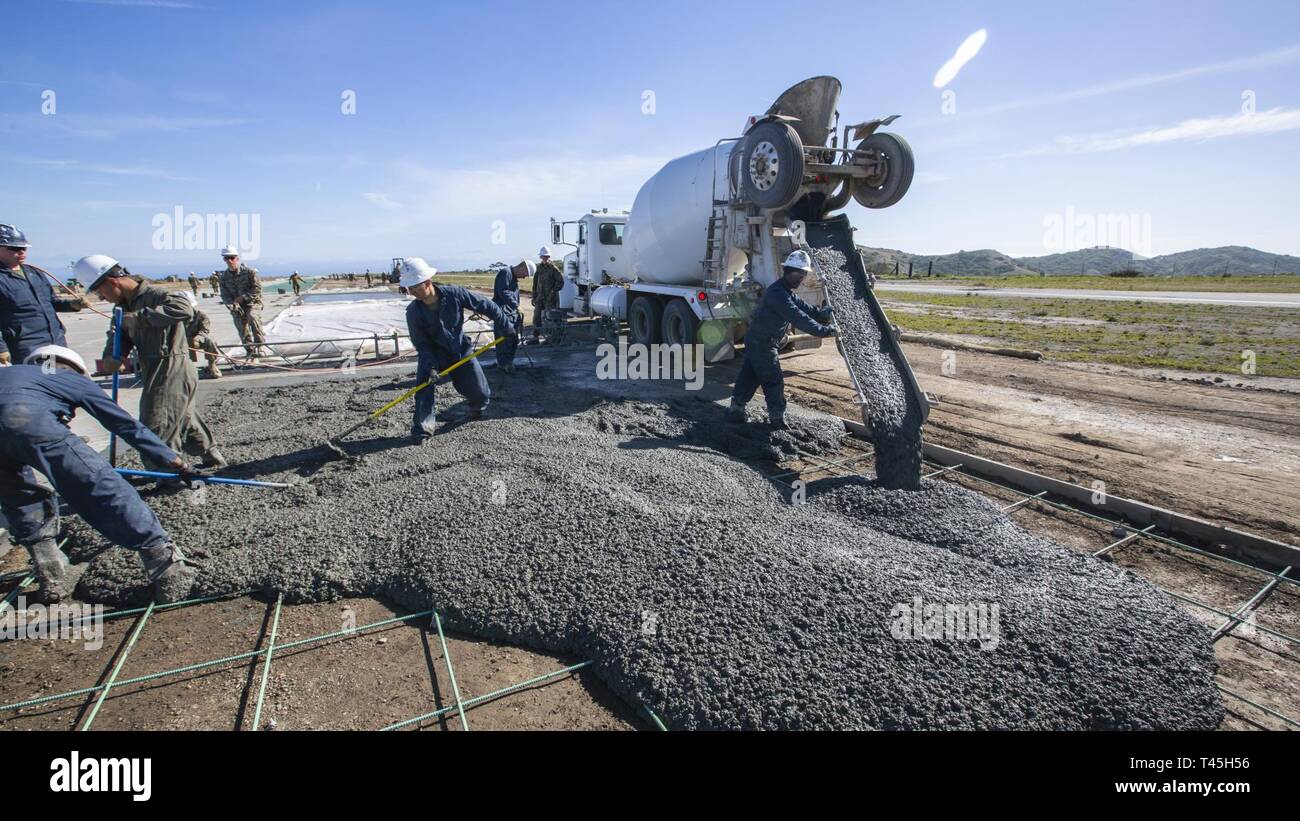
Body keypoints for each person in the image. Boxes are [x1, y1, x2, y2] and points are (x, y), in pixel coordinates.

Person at [1, 345, 197, 603]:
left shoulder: (17, 373)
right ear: (73, 368)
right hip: (29, 423)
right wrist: (172, 460)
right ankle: (168, 569)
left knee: (20, 499)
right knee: (103, 487)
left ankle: (53, 576)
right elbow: (125, 425)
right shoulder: (67, 377)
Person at [80, 255, 227, 470]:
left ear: (112, 282)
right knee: (182, 417)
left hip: (172, 366)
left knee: (157, 421)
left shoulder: (156, 295)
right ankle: (211, 457)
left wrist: (141, 317)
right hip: (152, 367)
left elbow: (184, 309)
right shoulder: (121, 306)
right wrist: (113, 357)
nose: (101, 298)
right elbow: (119, 335)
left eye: (99, 292)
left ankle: (167, 475)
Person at [401, 258, 514, 441]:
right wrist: (430, 366)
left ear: (428, 282)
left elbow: (487, 306)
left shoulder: (455, 294)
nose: (411, 292)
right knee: (424, 386)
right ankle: (423, 428)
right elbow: (421, 344)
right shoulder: (413, 312)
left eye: (414, 287)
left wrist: (506, 325)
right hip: (433, 354)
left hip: (459, 349)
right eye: (408, 288)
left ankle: (477, 408)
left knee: (481, 393)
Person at [727, 250, 836, 430]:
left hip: (757, 340)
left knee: (750, 376)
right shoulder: (778, 295)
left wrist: (821, 315)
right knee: (773, 380)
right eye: (800, 275)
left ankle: (735, 411)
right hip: (762, 343)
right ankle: (777, 419)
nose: (802, 279)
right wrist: (824, 331)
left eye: (804, 275)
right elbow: (798, 316)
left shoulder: (785, 291)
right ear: (790, 271)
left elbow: (804, 308)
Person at [0, 224, 87, 366]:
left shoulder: (35, 273)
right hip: (25, 346)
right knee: (34, 385)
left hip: (54, 342)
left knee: (55, 381)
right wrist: (1, 349)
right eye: (14, 248)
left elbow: (51, 302)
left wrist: (72, 305)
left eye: (24, 248)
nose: (21, 252)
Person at [215, 246, 266, 362]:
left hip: (252, 303)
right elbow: (225, 295)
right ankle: (250, 350)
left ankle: (260, 346)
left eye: (232, 258)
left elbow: (257, 289)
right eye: (227, 258)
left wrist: (243, 297)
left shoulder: (249, 273)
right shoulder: (223, 278)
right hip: (236, 306)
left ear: (237, 258)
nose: (229, 261)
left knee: (253, 318)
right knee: (241, 326)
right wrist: (231, 305)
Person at [492, 259, 534, 373]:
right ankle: (502, 365)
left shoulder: (513, 277)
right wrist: (516, 305)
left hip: (511, 314)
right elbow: (504, 291)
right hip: (503, 314)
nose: (524, 277)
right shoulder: (505, 273)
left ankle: (509, 362)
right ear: (523, 268)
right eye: (525, 274)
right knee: (503, 340)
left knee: (513, 339)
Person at [532, 246, 564, 340]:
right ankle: (535, 338)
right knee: (536, 318)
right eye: (543, 256)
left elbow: (560, 282)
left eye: (546, 256)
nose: (545, 258)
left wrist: (553, 291)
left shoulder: (553, 268)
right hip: (539, 298)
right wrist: (534, 296)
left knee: (550, 318)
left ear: (549, 257)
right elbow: (535, 283)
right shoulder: (539, 268)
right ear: (540, 257)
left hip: (550, 299)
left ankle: (552, 338)